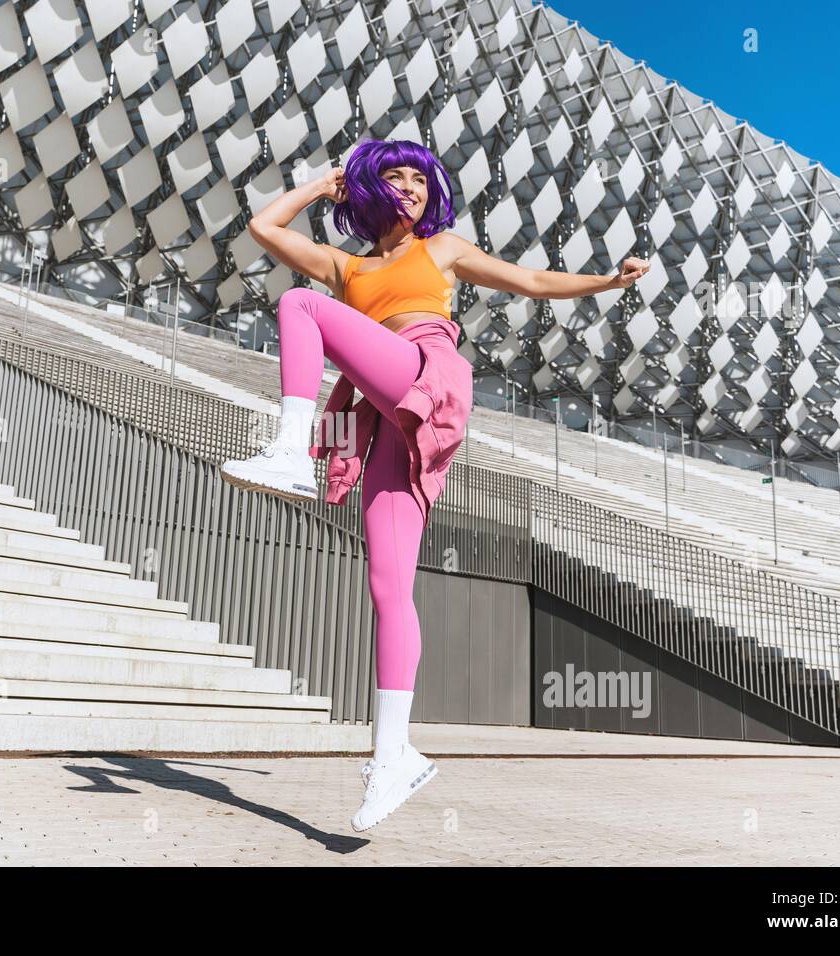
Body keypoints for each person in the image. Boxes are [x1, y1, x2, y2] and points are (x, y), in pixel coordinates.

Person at [220, 138, 648, 832]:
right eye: (396, 175)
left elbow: (530, 282)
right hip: (379, 411)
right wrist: (320, 183)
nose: (412, 187)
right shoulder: (346, 265)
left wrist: (609, 282)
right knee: (388, 588)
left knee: (300, 309)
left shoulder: (442, 247)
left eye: (421, 178)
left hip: (425, 374)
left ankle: (290, 454)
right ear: (367, 185)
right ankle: (393, 755)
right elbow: (264, 228)